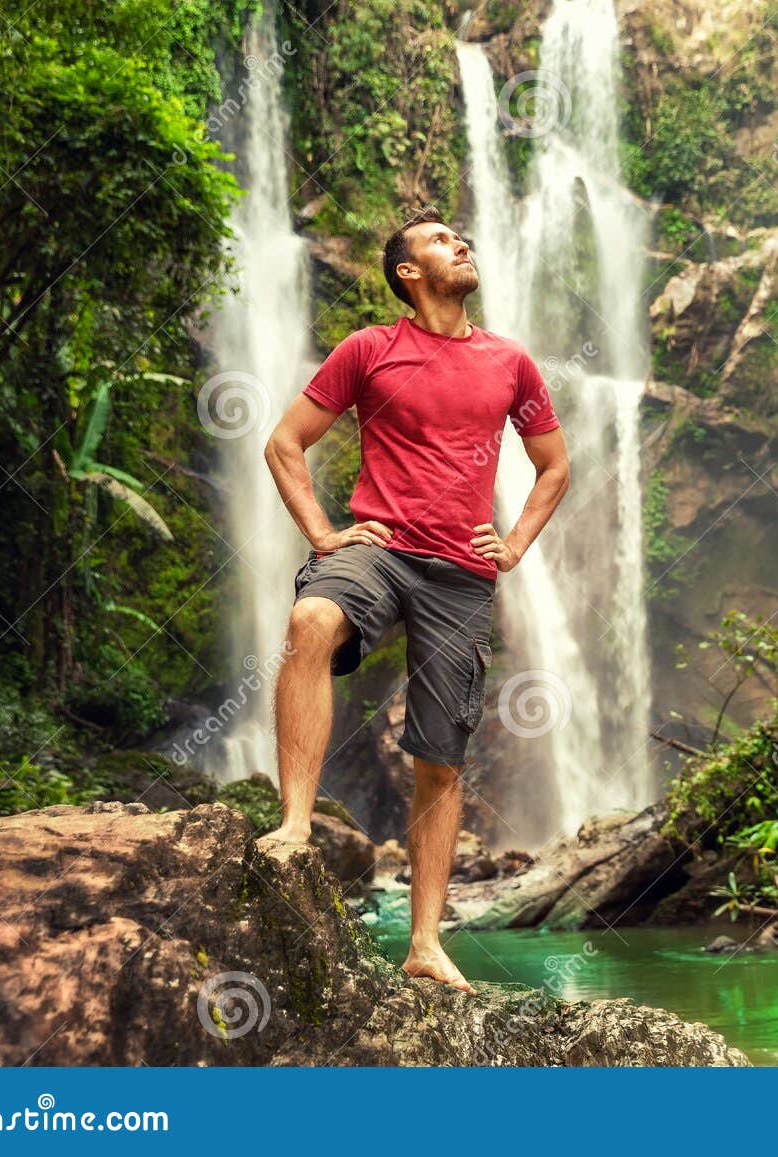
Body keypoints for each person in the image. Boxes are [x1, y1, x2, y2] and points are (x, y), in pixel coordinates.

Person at [258, 207, 570, 995]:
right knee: (310, 620)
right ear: (408, 272)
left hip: (461, 571)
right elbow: (284, 441)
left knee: (440, 756)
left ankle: (426, 941)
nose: (459, 243)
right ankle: (296, 823)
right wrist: (323, 532)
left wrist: (519, 542)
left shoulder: (511, 362)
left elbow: (554, 465)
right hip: (379, 547)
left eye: (459, 238)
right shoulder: (370, 349)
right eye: (439, 240)